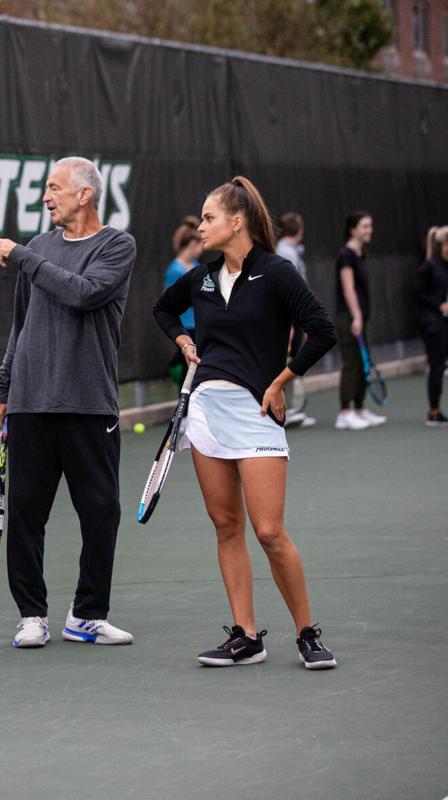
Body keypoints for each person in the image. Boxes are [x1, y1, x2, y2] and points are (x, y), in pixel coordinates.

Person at [153, 176, 338, 669]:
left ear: (237, 222)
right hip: (206, 414)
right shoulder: (201, 277)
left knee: (270, 531)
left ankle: (307, 633)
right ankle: (246, 636)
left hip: (256, 413)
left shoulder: (276, 273)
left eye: (210, 217)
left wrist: (281, 381)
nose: (202, 225)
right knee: (225, 525)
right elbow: (163, 310)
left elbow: (323, 330)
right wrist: (183, 341)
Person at [0, 156, 136, 649]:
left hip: (90, 403)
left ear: (85, 194)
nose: (46, 197)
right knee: (27, 512)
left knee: (100, 511)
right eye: (45, 189)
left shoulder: (117, 245)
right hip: (30, 402)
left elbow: (84, 293)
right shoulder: (40, 248)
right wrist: (5, 386)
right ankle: (32, 615)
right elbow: (20, 323)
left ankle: (87, 616)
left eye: (54, 188)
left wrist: (24, 257)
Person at [334, 211, 385, 430]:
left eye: (370, 226)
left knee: (362, 362)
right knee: (352, 363)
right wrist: (356, 315)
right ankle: (345, 413)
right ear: (353, 229)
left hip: (359, 317)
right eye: (365, 226)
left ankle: (360, 408)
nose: (369, 230)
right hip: (349, 317)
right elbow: (348, 288)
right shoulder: (345, 255)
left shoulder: (360, 254)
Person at [275, 212, 317, 427]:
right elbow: (287, 290)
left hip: (295, 316)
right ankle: (283, 409)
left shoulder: (290, 251)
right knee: (285, 363)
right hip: (290, 316)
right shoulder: (285, 252)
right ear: (298, 230)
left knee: (290, 362)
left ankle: (287, 409)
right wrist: (290, 322)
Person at [164, 217, 203, 386]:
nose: (203, 248)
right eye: (200, 244)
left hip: (199, 324)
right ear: (193, 243)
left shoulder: (196, 265)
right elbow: (167, 301)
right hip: (184, 328)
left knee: (197, 367)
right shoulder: (175, 270)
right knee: (187, 368)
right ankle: (184, 405)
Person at [415, 225, 448, 426]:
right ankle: (433, 412)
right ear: (441, 245)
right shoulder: (429, 267)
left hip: (445, 322)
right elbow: (417, 295)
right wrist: (438, 305)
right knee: (436, 366)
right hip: (432, 325)